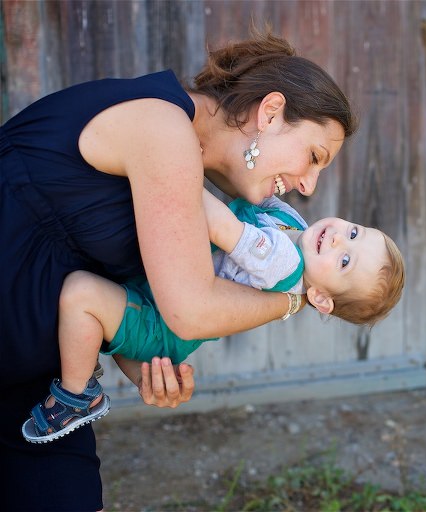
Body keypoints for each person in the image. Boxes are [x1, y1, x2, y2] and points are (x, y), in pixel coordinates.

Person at [0, 27, 357, 510]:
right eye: (313, 156)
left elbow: (116, 289)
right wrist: (296, 297)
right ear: (270, 114)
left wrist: (138, 361)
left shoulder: (186, 172)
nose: (308, 186)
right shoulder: (162, 129)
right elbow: (192, 310)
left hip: (36, 386)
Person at [22, 191, 405, 443]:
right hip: (161, 295)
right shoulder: (295, 228)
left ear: (319, 298)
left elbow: (218, 222)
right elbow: (255, 193)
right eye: (354, 233)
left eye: (343, 261)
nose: (340, 239)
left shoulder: (284, 263)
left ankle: (77, 395)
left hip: (160, 319)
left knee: (80, 295)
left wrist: (169, 164)